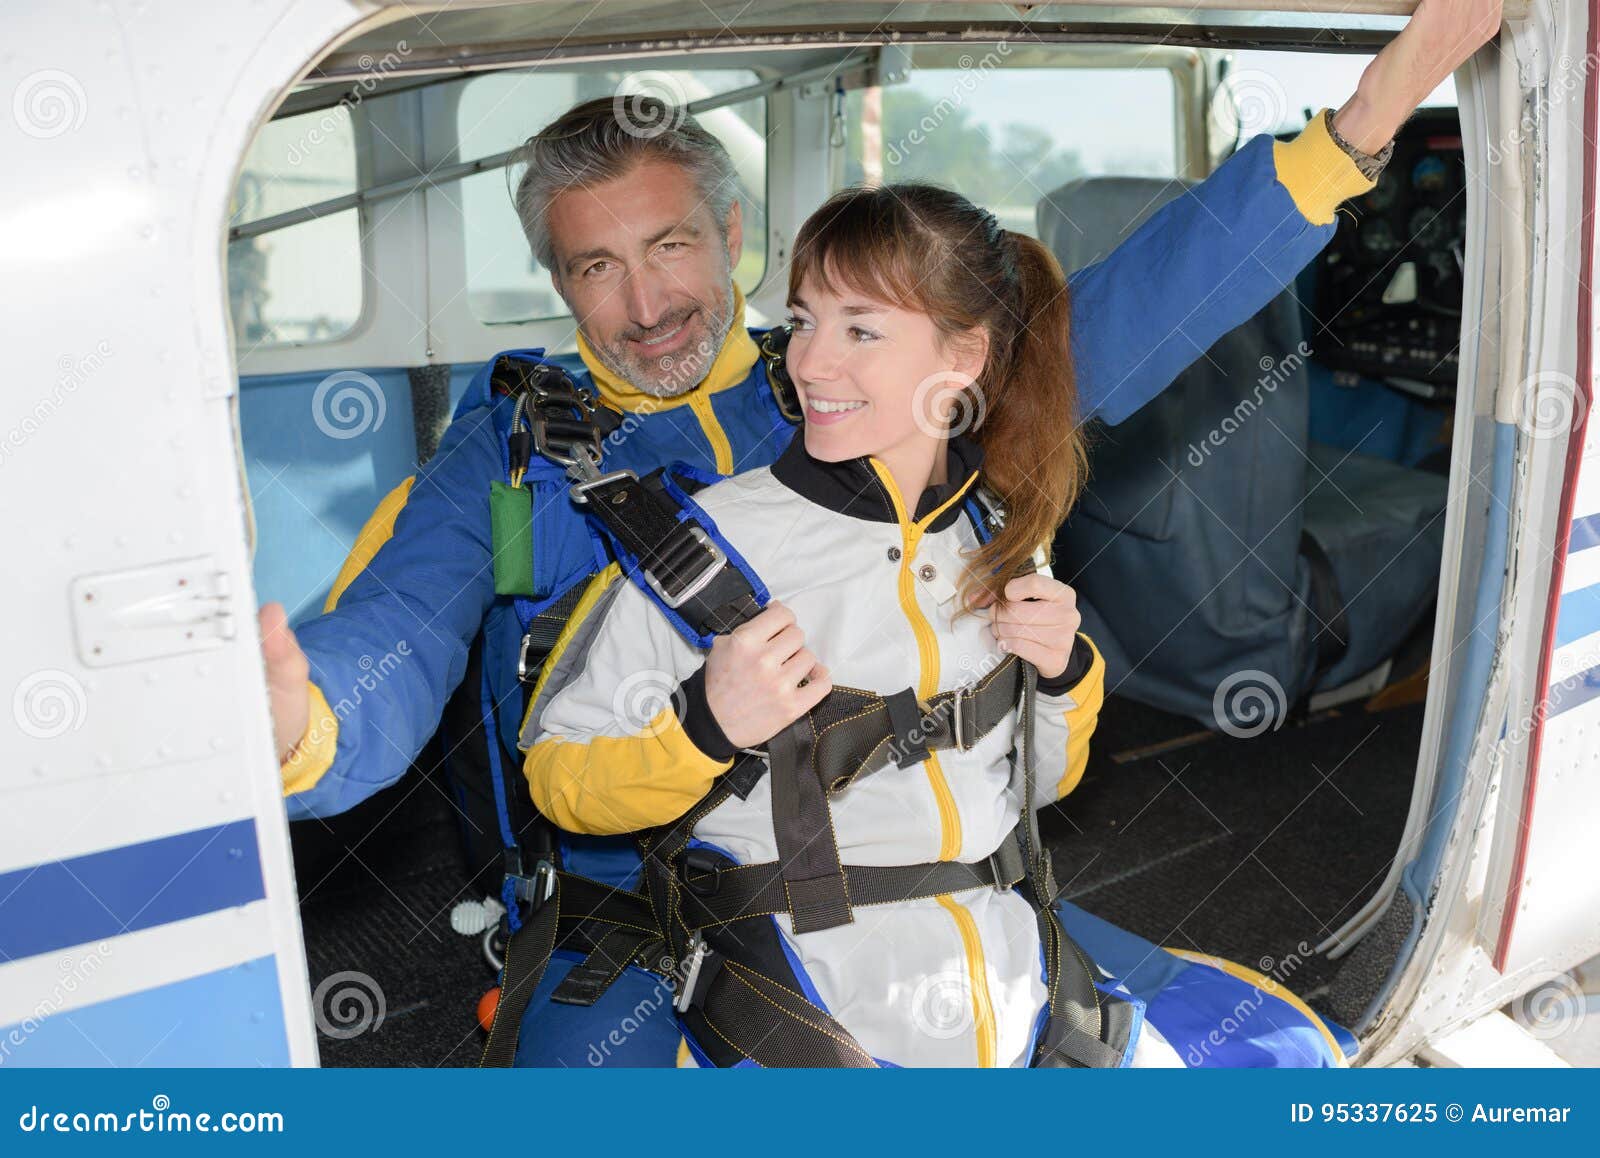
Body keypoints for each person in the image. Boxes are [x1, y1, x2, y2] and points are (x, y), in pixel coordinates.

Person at [258, 0, 1499, 1064]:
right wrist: (299, 725)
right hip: (630, 893)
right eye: (594, 267)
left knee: (1252, 1059)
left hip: (913, 875)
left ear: (732, 241)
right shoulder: (507, 460)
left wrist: (1359, 131)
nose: (642, 303)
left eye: (670, 245)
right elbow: (388, 638)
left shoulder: (836, 387)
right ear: (558, 281)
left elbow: (1107, 324)